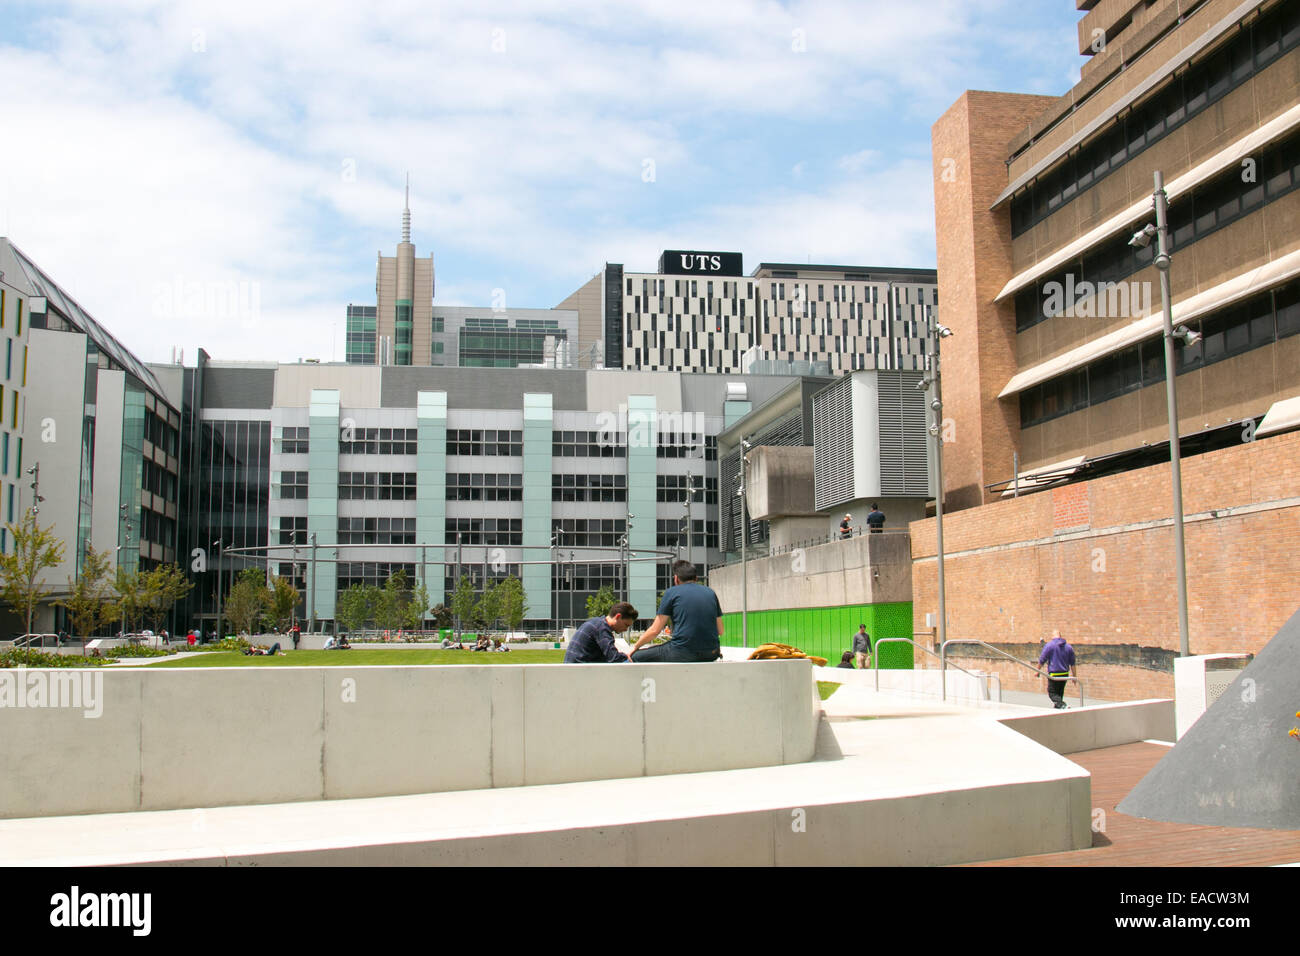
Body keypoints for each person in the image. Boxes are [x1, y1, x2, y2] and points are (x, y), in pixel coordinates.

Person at [628, 560, 722, 663]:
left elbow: (655, 630)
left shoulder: (671, 593)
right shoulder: (710, 592)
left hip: (682, 652)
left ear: (676, 578)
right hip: (711, 653)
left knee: (636, 657)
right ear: (696, 578)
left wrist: (635, 647)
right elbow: (720, 630)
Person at [564, 603, 638, 663]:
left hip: (573, 669)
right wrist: (627, 657)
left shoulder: (597, 623)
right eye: (626, 625)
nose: (626, 629)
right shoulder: (602, 628)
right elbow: (613, 657)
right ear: (618, 617)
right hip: (579, 672)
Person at [1038, 629, 1076, 709]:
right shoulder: (1068, 647)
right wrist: (1074, 676)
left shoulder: (1049, 645)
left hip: (1054, 674)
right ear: (1060, 636)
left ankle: (1062, 705)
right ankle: (1058, 708)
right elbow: (1072, 663)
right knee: (1059, 693)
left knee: (1052, 693)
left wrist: (1038, 671)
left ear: (1052, 636)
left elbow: (1042, 660)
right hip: (1065, 674)